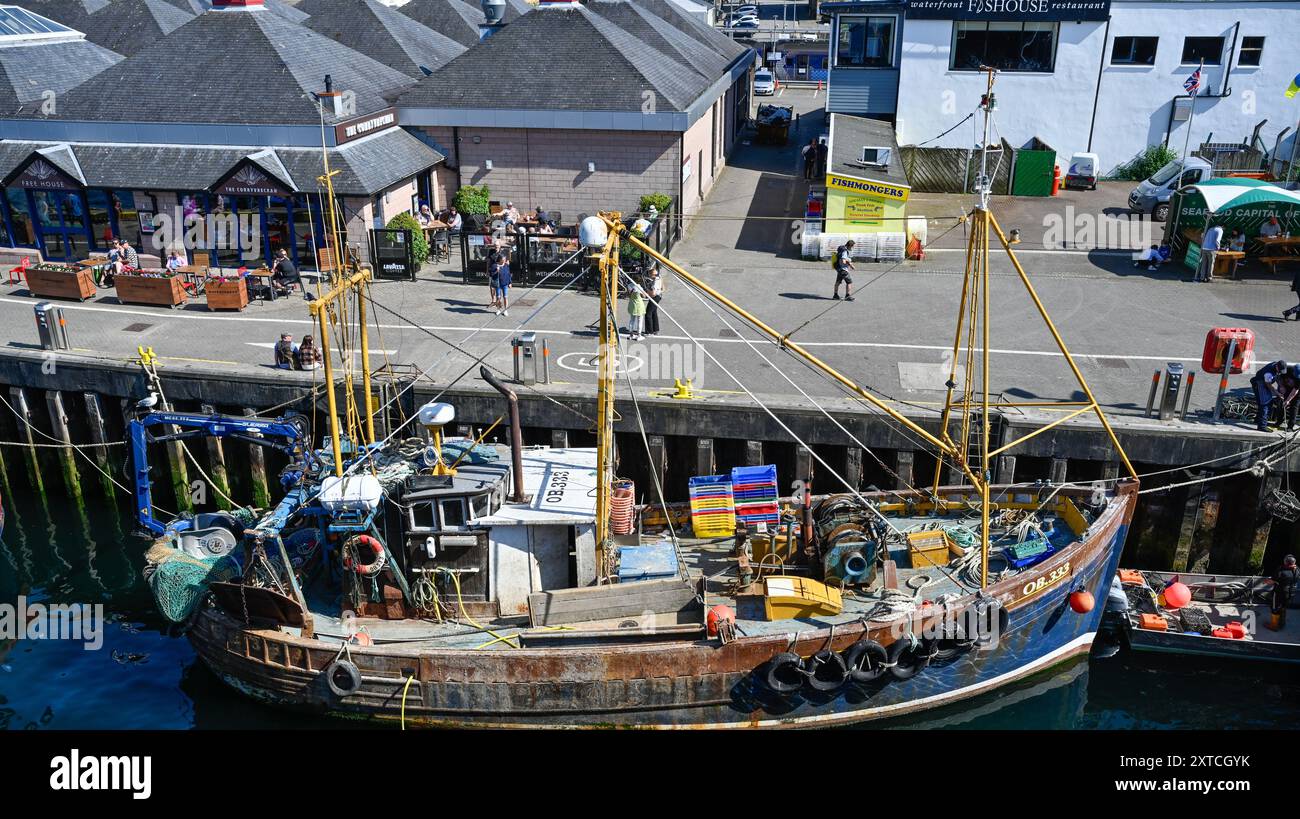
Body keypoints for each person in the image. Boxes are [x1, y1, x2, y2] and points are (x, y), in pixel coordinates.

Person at [1250, 359, 1293, 432]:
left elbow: (1277, 377)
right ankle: (1262, 426)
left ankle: (1258, 420)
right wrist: (1278, 393)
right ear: (1277, 367)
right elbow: (1269, 385)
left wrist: (1281, 386)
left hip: (1264, 382)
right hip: (1260, 383)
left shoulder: (1276, 365)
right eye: (1280, 370)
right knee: (1265, 404)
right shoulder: (1268, 373)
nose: (1280, 372)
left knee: (1269, 403)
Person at [1268, 555, 1299, 630]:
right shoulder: (1297, 570)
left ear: (1285, 562)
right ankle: (1282, 624)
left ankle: (1274, 626)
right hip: (1290, 594)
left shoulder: (1281, 571)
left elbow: (1271, 581)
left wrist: (1266, 581)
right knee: (1283, 607)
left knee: (1275, 608)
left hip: (1279, 593)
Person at [644, 264, 663, 336]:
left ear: (652, 275)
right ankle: (656, 329)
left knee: (648, 313)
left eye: (650, 275)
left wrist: (647, 293)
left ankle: (649, 331)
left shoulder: (654, 282)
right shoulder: (659, 277)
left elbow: (653, 293)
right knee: (654, 312)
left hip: (654, 297)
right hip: (659, 296)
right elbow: (663, 287)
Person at [495, 250, 512, 317]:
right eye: (503, 259)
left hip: (505, 284)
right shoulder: (496, 266)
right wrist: (497, 271)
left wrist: (510, 283)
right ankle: (498, 309)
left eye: (505, 259)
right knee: (498, 297)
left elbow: (508, 274)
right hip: (498, 284)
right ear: (500, 259)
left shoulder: (506, 265)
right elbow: (492, 274)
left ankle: (505, 310)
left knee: (505, 297)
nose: (505, 260)